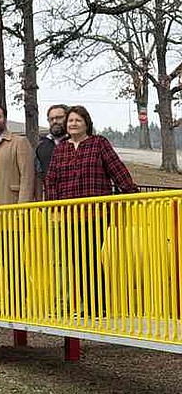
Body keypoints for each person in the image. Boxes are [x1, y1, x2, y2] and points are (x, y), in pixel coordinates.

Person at [44, 105, 138, 316]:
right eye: (70, 121)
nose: (73, 124)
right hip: (68, 215)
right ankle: (83, 305)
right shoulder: (61, 149)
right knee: (75, 260)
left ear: (86, 123)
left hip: (95, 213)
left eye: (78, 120)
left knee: (91, 258)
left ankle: (98, 305)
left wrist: (132, 193)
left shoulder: (98, 143)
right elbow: (51, 180)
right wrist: (52, 207)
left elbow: (117, 169)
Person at [35, 104, 69, 199]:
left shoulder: (78, 141)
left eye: (59, 118)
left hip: (78, 202)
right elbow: (39, 176)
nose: (55, 121)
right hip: (52, 203)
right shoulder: (41, 147)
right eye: (51, 119)